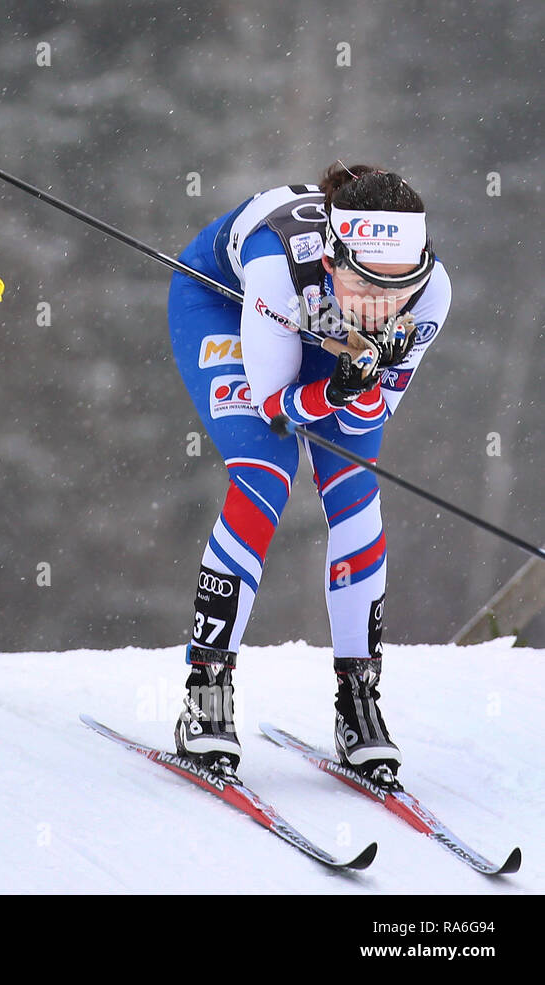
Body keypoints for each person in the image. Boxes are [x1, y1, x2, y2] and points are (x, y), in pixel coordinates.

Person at [166, 163, 451, 785]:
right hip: (226, 305)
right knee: (265, 477)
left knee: (356, 492)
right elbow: (273, 408)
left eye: (400, 288)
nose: (383, 306)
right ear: (333, 259)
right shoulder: (278, 267)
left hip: (322, 329)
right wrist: (342, 384)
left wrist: (366, 380)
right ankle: (205, 689)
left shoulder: (431, 296)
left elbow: (364, 425)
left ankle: (359, 697)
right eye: (370, 284)